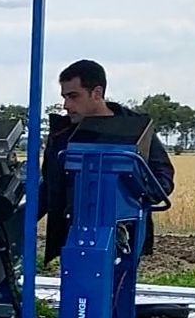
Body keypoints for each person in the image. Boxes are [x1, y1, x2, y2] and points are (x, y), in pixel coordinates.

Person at [39, 59, 175, 265]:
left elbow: (162, 176)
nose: (66, 105)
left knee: (116, 293)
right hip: (73, 235)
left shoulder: (135, 128)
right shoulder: (61, 133)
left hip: (123, 237)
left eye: (73, 96)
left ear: (97, 93)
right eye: (64, 97)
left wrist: (136, 196)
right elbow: (49, 185)